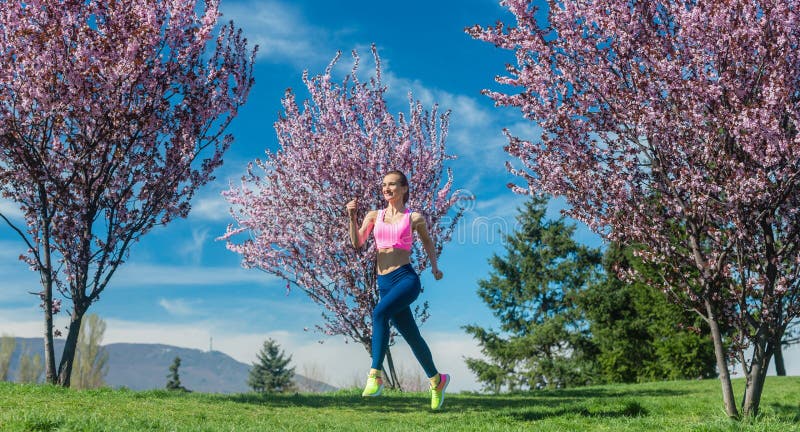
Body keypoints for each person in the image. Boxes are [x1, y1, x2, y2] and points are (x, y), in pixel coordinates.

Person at [346, 170, 450, 410]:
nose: (386, 188)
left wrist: (434, 267)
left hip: (405, 279)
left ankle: (375, 375)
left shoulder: (414, 218)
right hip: (384, 283)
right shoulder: (374, 216)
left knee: (379, 313)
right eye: (384, 184)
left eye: (392, 184)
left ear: (404, 188)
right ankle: (437, 381)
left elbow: (427, 242)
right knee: (412, 336)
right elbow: (357, 242)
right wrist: (352, 217)